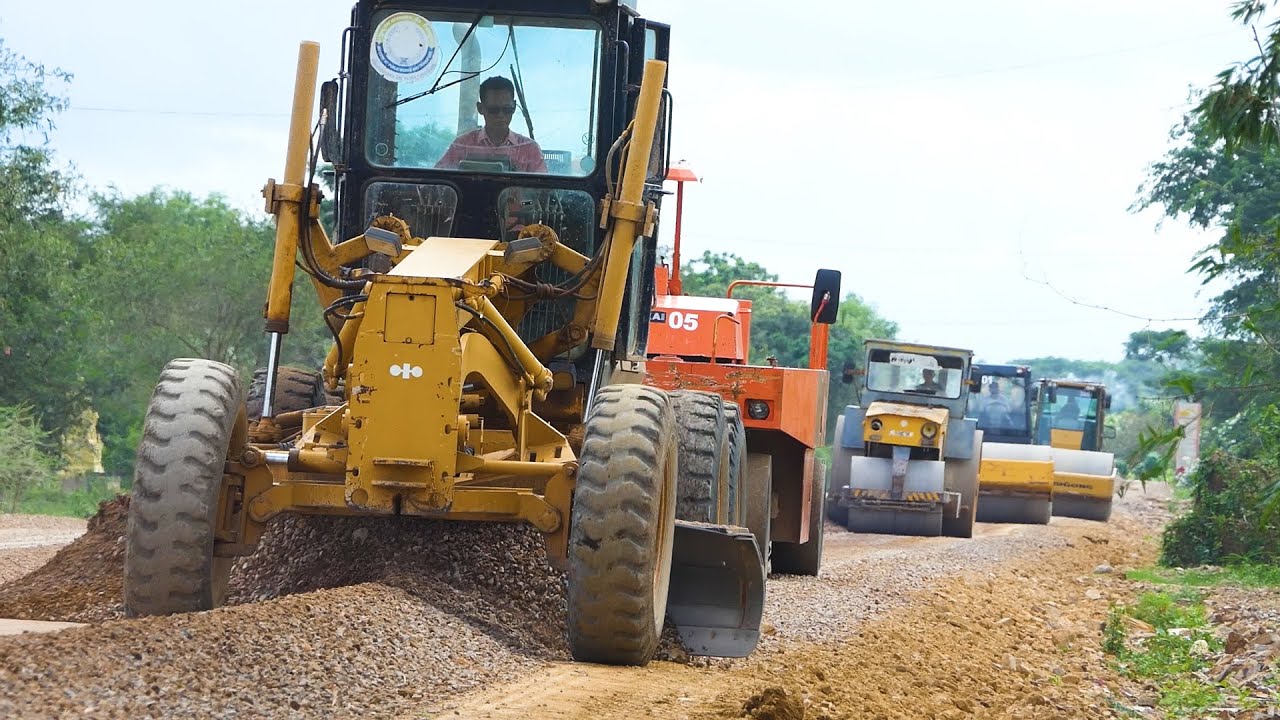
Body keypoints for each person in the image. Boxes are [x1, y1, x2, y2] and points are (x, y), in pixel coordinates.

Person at [435, 76, 548, 173]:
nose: (501, 115)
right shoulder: (461, 146)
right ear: (480, 108)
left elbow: (544, 192)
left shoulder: (529, 149)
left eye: (507, 109)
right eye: (494, 110)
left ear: (514, 106)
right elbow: (437, 181)